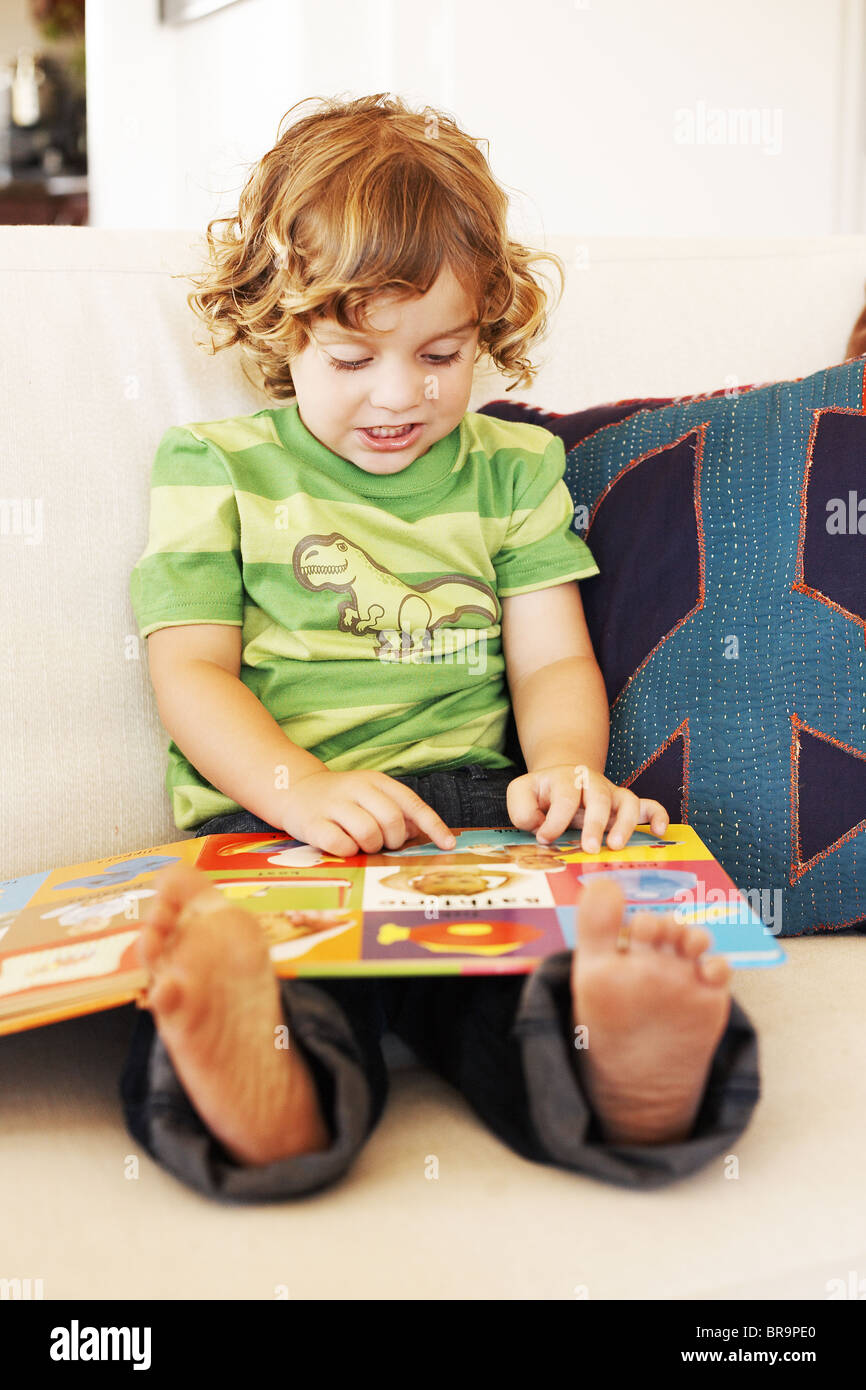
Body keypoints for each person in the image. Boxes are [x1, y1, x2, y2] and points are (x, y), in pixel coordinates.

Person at [126, 93, 759, 1202]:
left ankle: (624, 1067)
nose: (398, 395)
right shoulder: (213, 464)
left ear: (487, 325)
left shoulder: (512, 470)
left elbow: (550, 664)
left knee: (519, 991)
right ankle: (265, 1096)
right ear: (281, 325)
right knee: (282, 990)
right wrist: (302, 785)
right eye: (351, 354)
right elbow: (190, 670)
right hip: (280, 823)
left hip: (471, 818)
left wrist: (565, 766)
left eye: (440, 352)